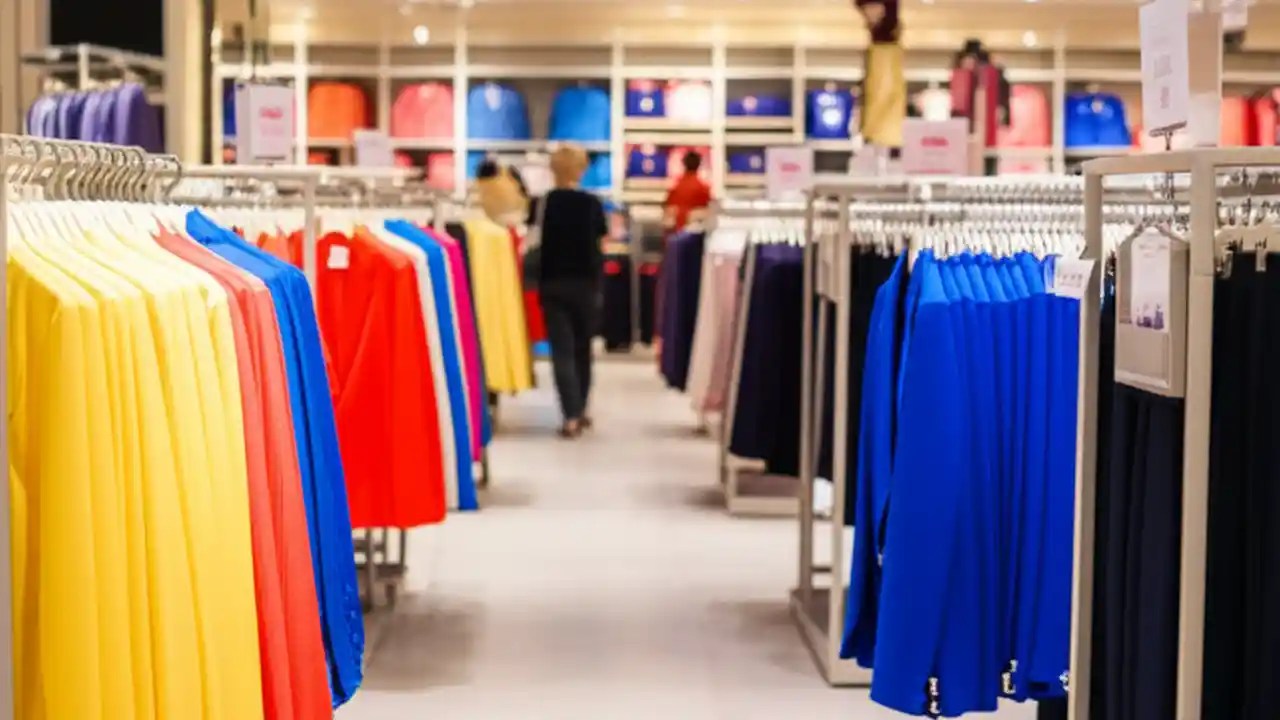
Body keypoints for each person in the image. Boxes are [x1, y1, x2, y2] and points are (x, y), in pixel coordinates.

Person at [529, 145, 607, 438]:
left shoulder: (542, 203)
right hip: (585, 285)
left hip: (552, 284)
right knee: (582, 349)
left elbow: (536, 242)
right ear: (582, 168)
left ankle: (570, 414)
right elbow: (600, 244)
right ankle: (582, 408)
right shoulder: (592, 204)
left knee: (561, 351)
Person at [663, 150, 713, 232]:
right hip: (695, 231)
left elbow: (668, 208)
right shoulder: (703, 188)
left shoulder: (675, 186)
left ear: (684, 164)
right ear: (699, 165)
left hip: (676, 230)